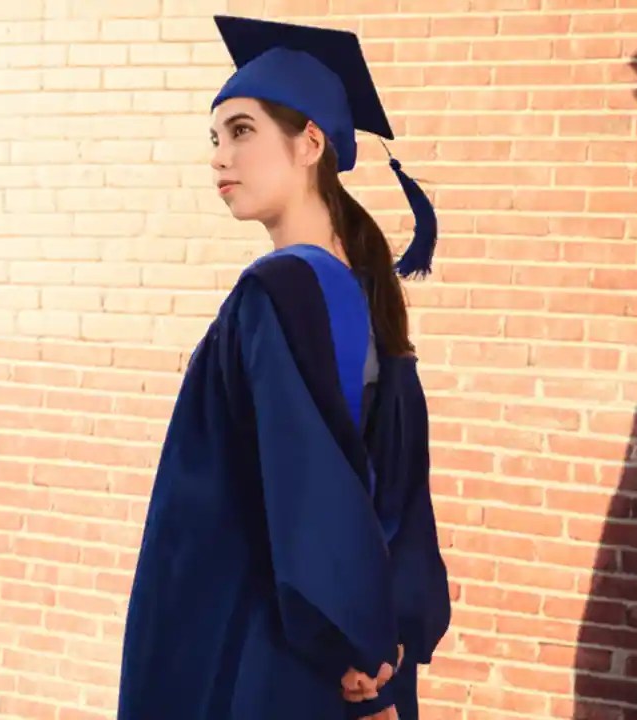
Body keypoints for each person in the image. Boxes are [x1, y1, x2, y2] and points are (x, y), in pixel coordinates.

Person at [117, 15, 451, 720]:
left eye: (242, 131)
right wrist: (384, 650)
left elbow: (313, 491)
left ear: (310, 143)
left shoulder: (281, 290)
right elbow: (390, 498)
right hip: (355, 657)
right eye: (214, 138)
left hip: (283, 663)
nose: (218, 157)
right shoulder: (359, 284)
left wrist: (355, 659)